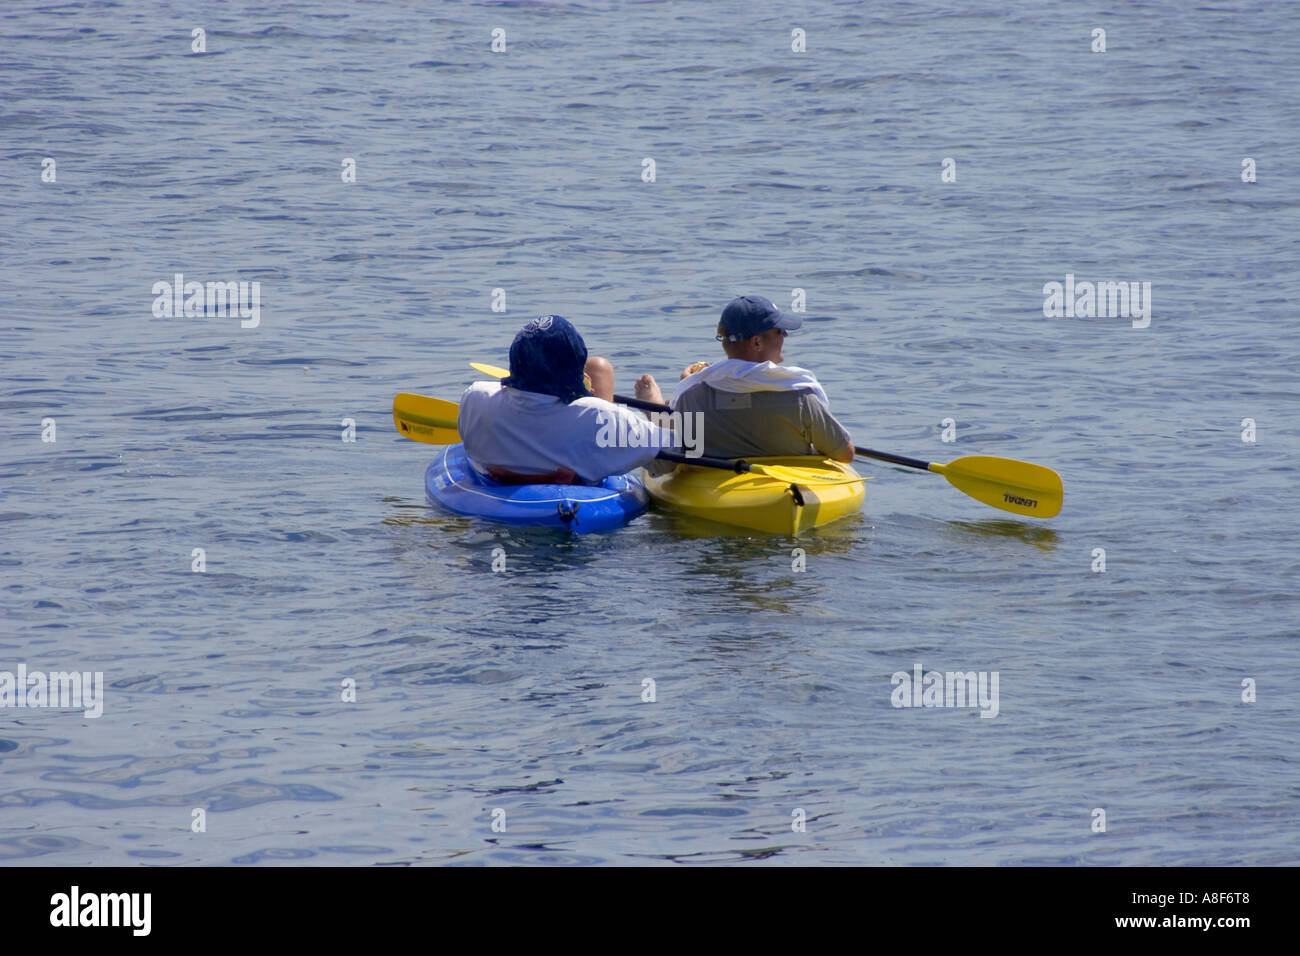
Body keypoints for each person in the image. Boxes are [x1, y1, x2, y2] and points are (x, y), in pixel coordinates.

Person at [459, 315, 675, 484]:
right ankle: (654, 408)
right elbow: (685, 443)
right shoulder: (598, 416)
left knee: (600, 368)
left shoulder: (475, 396)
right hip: (576, 504)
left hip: (495, 495)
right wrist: (664, 401)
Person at [636, 295, 854, 463]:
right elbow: (845, 454)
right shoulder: (800, 396)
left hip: (717, 478)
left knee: (672, 430)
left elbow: (674, 456)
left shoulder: (692, 394)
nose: (785, 335)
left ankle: (654, 409)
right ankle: (657, 409)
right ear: (757, 342)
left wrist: (691, 383)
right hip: (787, 488)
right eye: (779, 331)